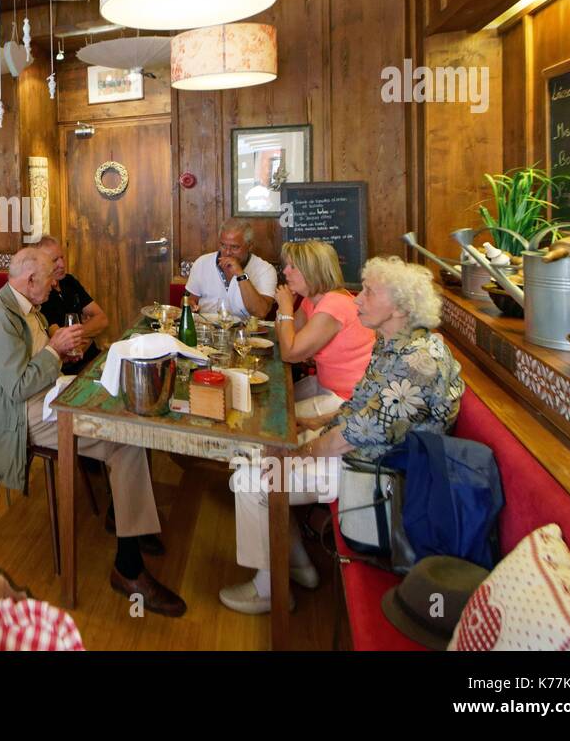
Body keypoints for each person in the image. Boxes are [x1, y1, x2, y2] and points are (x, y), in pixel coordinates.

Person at [220, 256, 466, 615]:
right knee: (261, 451)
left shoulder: (418, 364)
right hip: (364, 455)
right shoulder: (395, 343)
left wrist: (299, 453)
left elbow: (348, 439)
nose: (357, 299)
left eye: (368, 292)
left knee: (250, 480)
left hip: (379, 478)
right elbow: (361, 407)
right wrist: (314, 423)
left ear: (400, 307)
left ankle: (268, 590)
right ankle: (297, 562)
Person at [0, 247, 186, 617]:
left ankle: (127, 522)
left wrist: (63, 353)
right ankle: (129, 565)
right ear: (29, 281)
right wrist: (55, 352)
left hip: (47, 396)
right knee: (125, 442)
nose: (55, 284)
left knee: (124, 418)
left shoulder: (25, 304)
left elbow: (38, 359)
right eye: (49, 279)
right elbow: (19, 387)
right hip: (19, 417)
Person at [272, 240, 374, 419]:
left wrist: (286, 307)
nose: (286, 271)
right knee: (275, 400)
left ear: (313, 271)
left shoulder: (333, 305)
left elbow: (290, 353)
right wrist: (283, 310)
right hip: (324, 384)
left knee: (278, 416)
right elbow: (283, 336)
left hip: (347, 398)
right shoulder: (311, 300)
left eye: (293, 266)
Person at [35, 235, 108, 372]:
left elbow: (102, 319)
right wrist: (91, 332)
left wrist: (75, 336)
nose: (62, 264)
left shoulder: (69, 281)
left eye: (62, 257)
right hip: (70, 370)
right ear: (41, 264)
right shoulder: (42, 296)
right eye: (55, 260)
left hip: (94, 356)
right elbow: (67, 348)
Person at [185, 219, 277, 318]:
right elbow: (188, 299)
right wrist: (189, 304)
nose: (227, 252)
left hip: (245, 331)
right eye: (223, 245)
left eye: (234, 247)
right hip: (206, 327)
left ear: (250, 246)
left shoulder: (265, 270)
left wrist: (240, 274)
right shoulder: (202, 263)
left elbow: (260, 312)